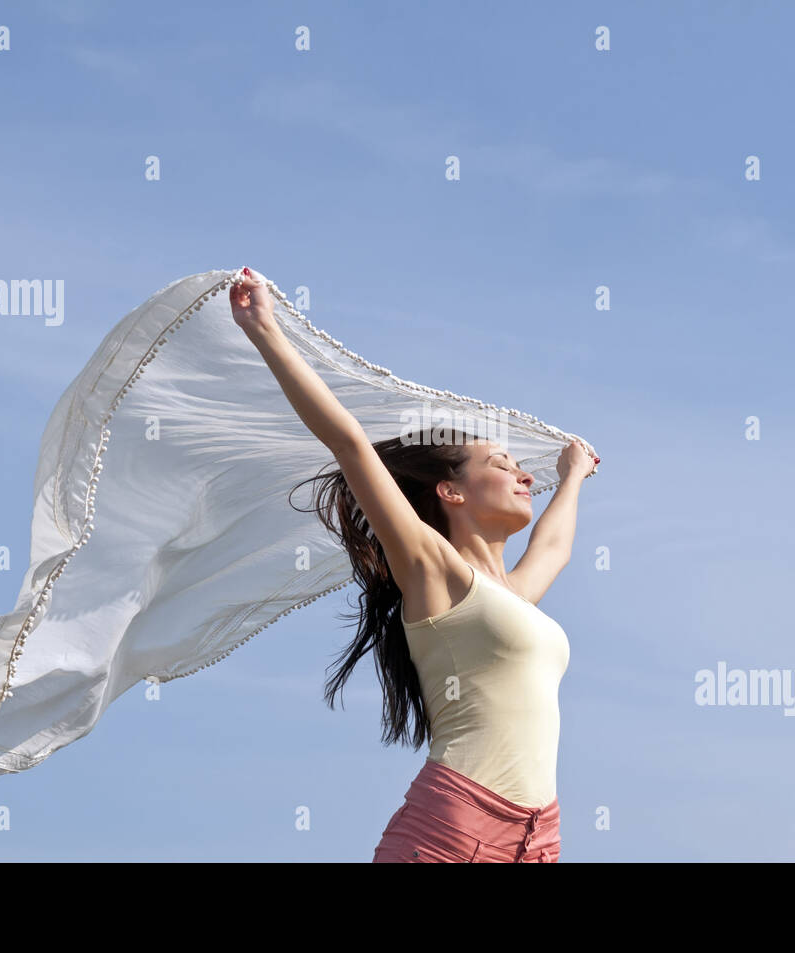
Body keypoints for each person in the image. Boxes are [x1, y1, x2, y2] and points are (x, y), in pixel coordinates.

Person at [230, 267, 598, 862]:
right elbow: (350, 444)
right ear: (451, 492)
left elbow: (555, 549)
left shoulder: (511, 596)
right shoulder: (434, 572)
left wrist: (573, 474)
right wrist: (264, 328)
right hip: (454, 828)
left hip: (539, 839)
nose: (523, 475)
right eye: (503, 464)